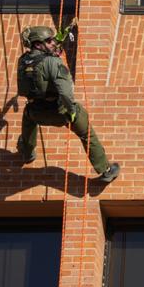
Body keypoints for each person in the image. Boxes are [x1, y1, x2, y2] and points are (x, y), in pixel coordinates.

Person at [15, 26, 120, 182]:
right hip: (59, 112)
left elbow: (25, 87)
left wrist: (60, 36)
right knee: (86, 132)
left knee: (27, 116)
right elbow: (65, 92)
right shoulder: (53, 62)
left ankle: (27, 152)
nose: (53, 43)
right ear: (38, 44)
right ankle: (105, 169)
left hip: (36, 112)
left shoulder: (23, 61)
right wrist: (71, 110)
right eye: (49, 41)